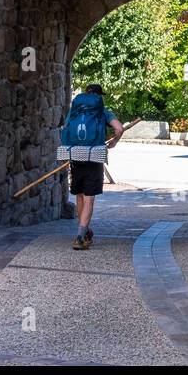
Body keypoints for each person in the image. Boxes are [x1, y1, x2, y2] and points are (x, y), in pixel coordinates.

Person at [59, 83, 124, 250]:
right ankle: (80, 237)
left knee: (80, 195)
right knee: (89, 198)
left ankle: (85, 231)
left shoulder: (75, 111)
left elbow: (66, 130)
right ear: (99, 96)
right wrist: (114, 142)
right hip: (94, 157)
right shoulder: (101, 111)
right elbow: (119, 128)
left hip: (75, 157)